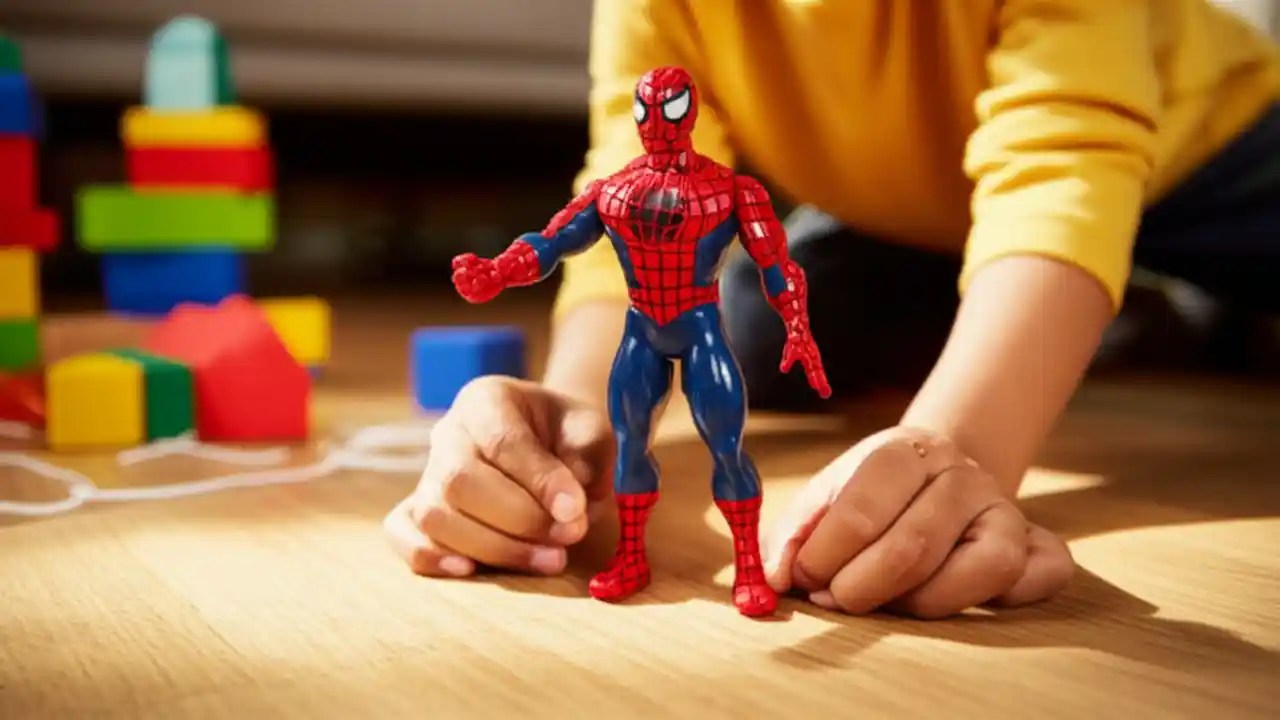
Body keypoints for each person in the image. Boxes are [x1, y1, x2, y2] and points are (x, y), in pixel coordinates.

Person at [385, 0, 1280, 618]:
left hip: (1216, 153)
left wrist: (961, 451)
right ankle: (1164, 320)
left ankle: (1178, 309)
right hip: (928, 209)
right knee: (760, 325)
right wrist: (576, 409)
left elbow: (1065, 167)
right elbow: (628, 186)